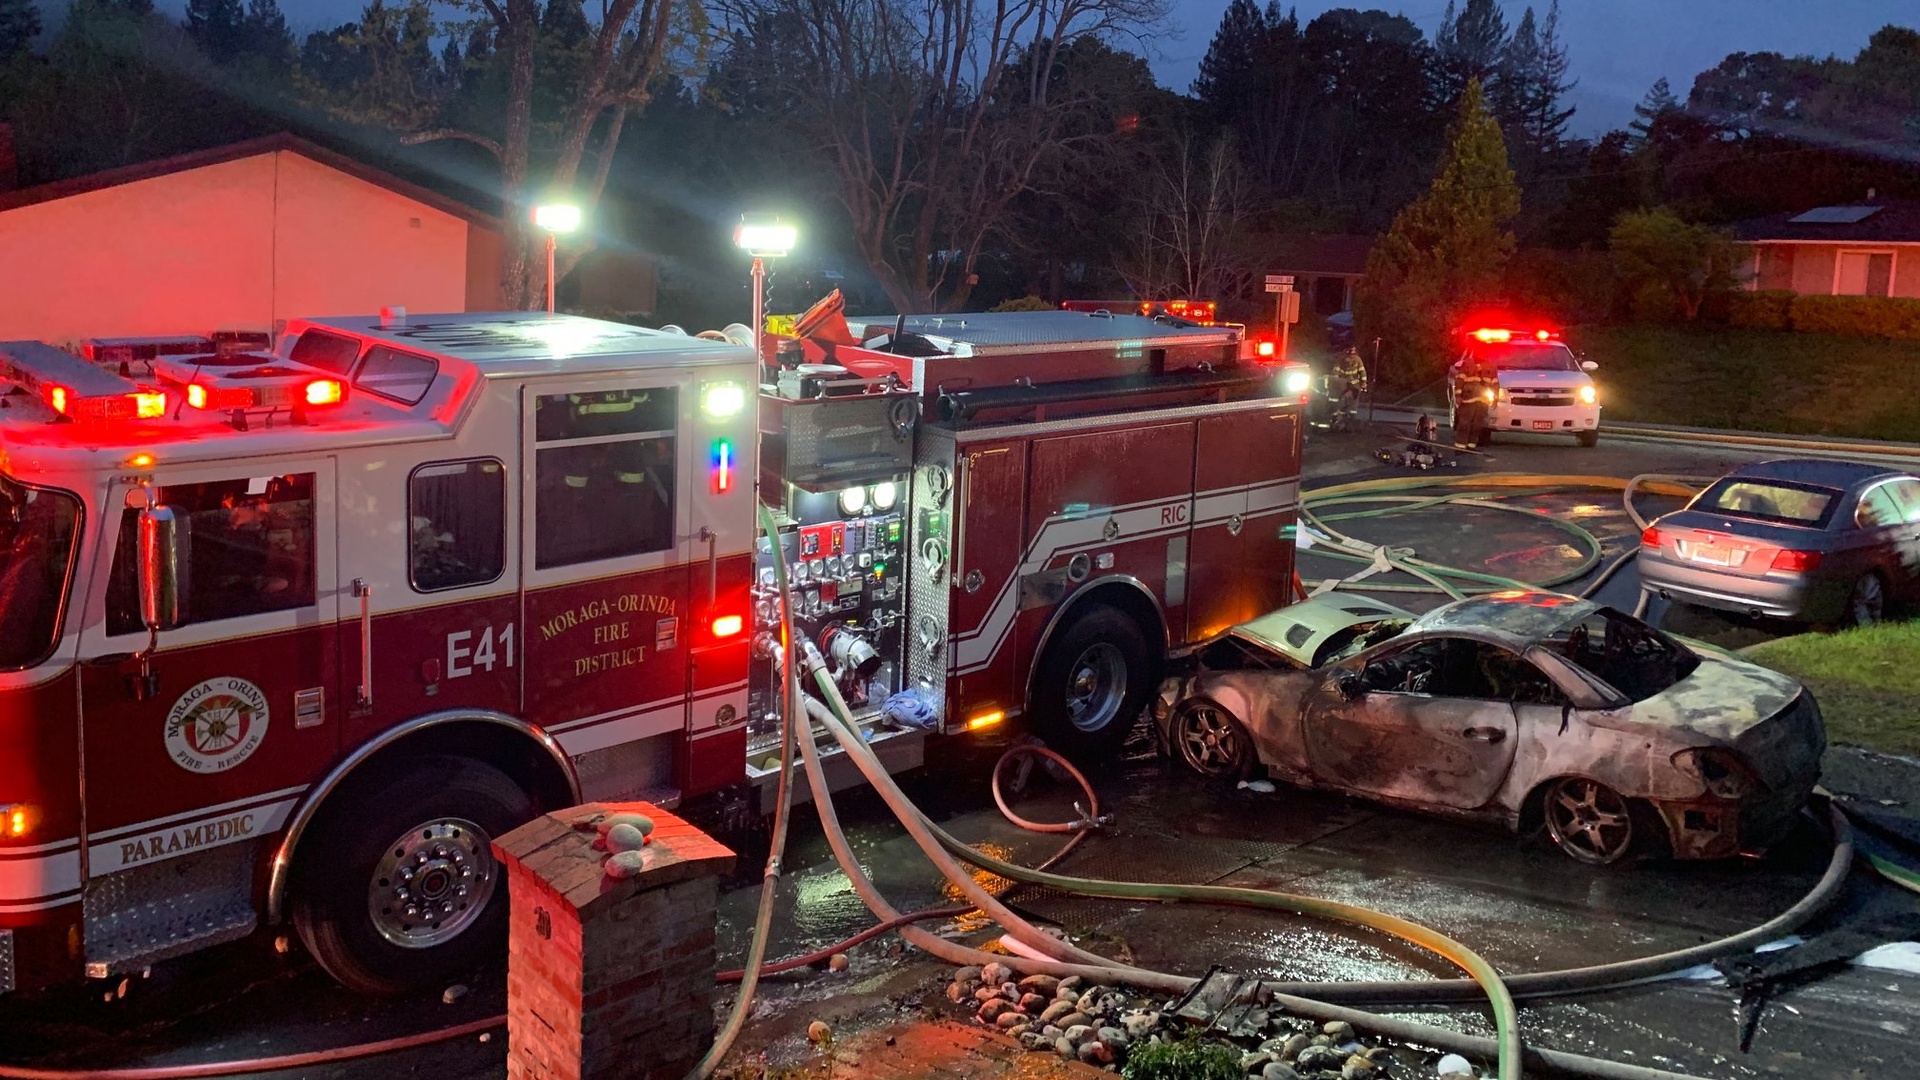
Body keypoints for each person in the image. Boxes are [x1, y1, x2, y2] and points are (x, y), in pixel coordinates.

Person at [1452, 354, 1494, 450]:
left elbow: (1491, 383)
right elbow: (1459, 381)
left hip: (1482, 401)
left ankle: (1472, 445)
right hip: (1468, 400)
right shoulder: (1467, 365)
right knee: (1464, 424)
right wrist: (1458, 396)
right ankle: (1460, 446)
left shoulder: (1488, 367)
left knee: (1477, 425)